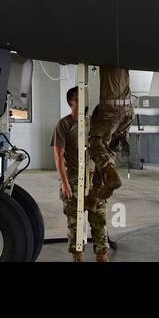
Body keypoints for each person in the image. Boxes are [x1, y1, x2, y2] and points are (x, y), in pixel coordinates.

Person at [52, 86, 109, 262]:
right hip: (74, 179)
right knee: (75, 224)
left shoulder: (92, 124)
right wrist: (65, 182)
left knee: (99, 220)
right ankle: (78, 257)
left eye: (83, 98)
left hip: (94, 181)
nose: (81, 101)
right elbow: (58, 156)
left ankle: (102, 256)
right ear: (71, 102)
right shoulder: (64, 124)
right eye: (78, 98)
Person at [88, 66, 133, 199]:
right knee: (108, 149)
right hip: (127, 110)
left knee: (96, 143)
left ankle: (111, 175)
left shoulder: (107, 50)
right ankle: (96, 193)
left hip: (112, 110)